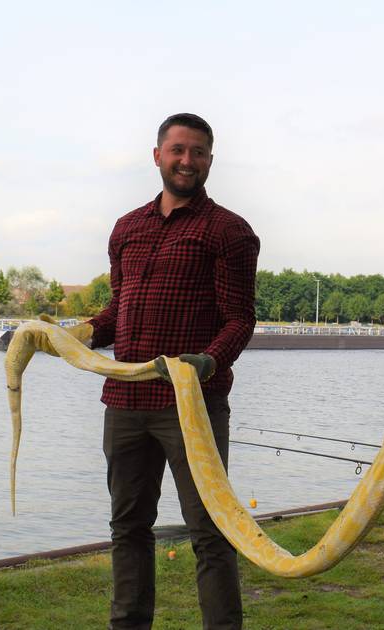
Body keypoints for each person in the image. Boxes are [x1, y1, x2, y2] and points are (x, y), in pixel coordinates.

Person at [69, 112, 259, 629]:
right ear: (157, 155)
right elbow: (118, 312)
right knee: (128, 526)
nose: (186, 161)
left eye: (198, 152)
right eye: (177, 150)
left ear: (210, 162)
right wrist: (80, 332)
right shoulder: (127, 228)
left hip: (192, 406)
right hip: (126, 404)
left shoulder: (230, 231)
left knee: (211, 529)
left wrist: (209, 361)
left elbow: (241, 318)